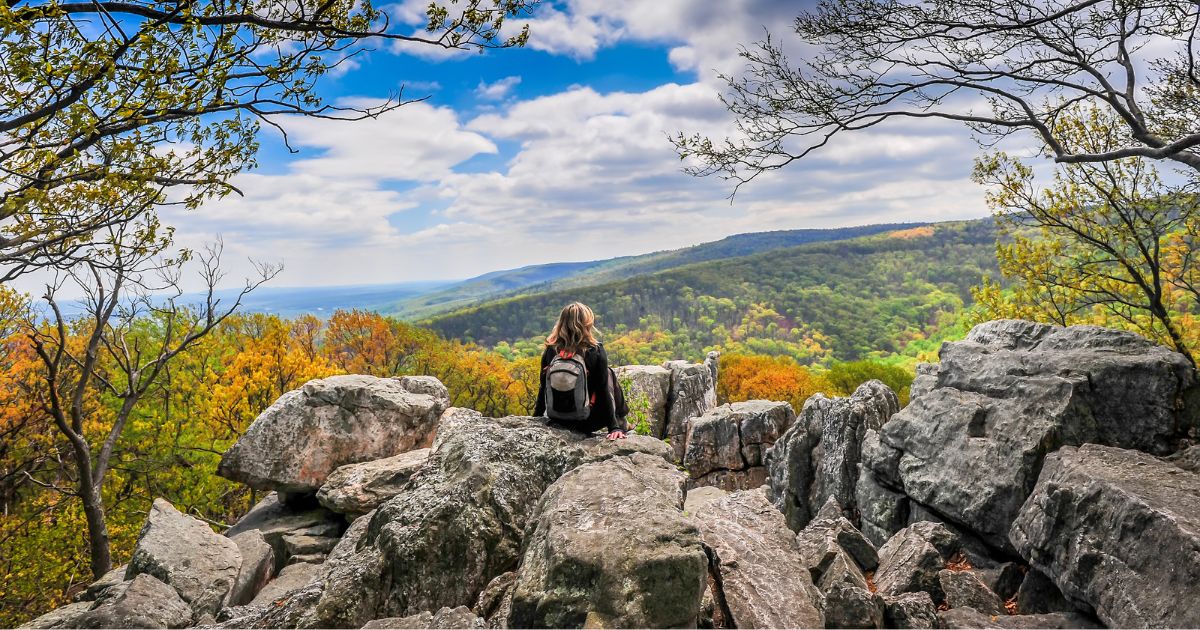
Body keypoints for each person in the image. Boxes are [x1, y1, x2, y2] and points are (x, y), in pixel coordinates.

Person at [534, 302, 626, 440]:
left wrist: (536, 419)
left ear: (561, 323)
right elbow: (603, 391)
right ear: (586, 324)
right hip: (587, 421)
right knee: (608, 373)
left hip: (557, 419)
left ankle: (619, 420)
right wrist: (613, 427)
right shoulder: (595, 350)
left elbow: (543, 388)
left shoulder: (550, 349)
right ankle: (621, 420)